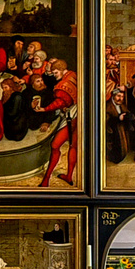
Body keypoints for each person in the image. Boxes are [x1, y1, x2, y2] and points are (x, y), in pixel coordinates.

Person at [38, 59, 80, 187]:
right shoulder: (73, 74)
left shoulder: (62, 86)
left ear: (62, 70)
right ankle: (69, 176)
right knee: (74, 146)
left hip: (72, 118)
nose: (55, 75)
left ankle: (46, 180)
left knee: (55, 145)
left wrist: (43, 109)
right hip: (80, 115)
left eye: (56, 73)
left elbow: (60, 102)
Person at [106, 87, 130, 164]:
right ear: (113, 96)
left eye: (122, 96)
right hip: (111, 133)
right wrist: (118, 118)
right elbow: (106, 121)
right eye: (118, 96)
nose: (120, 98)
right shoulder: (107, 106)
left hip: (121, 131)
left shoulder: (122, 105)